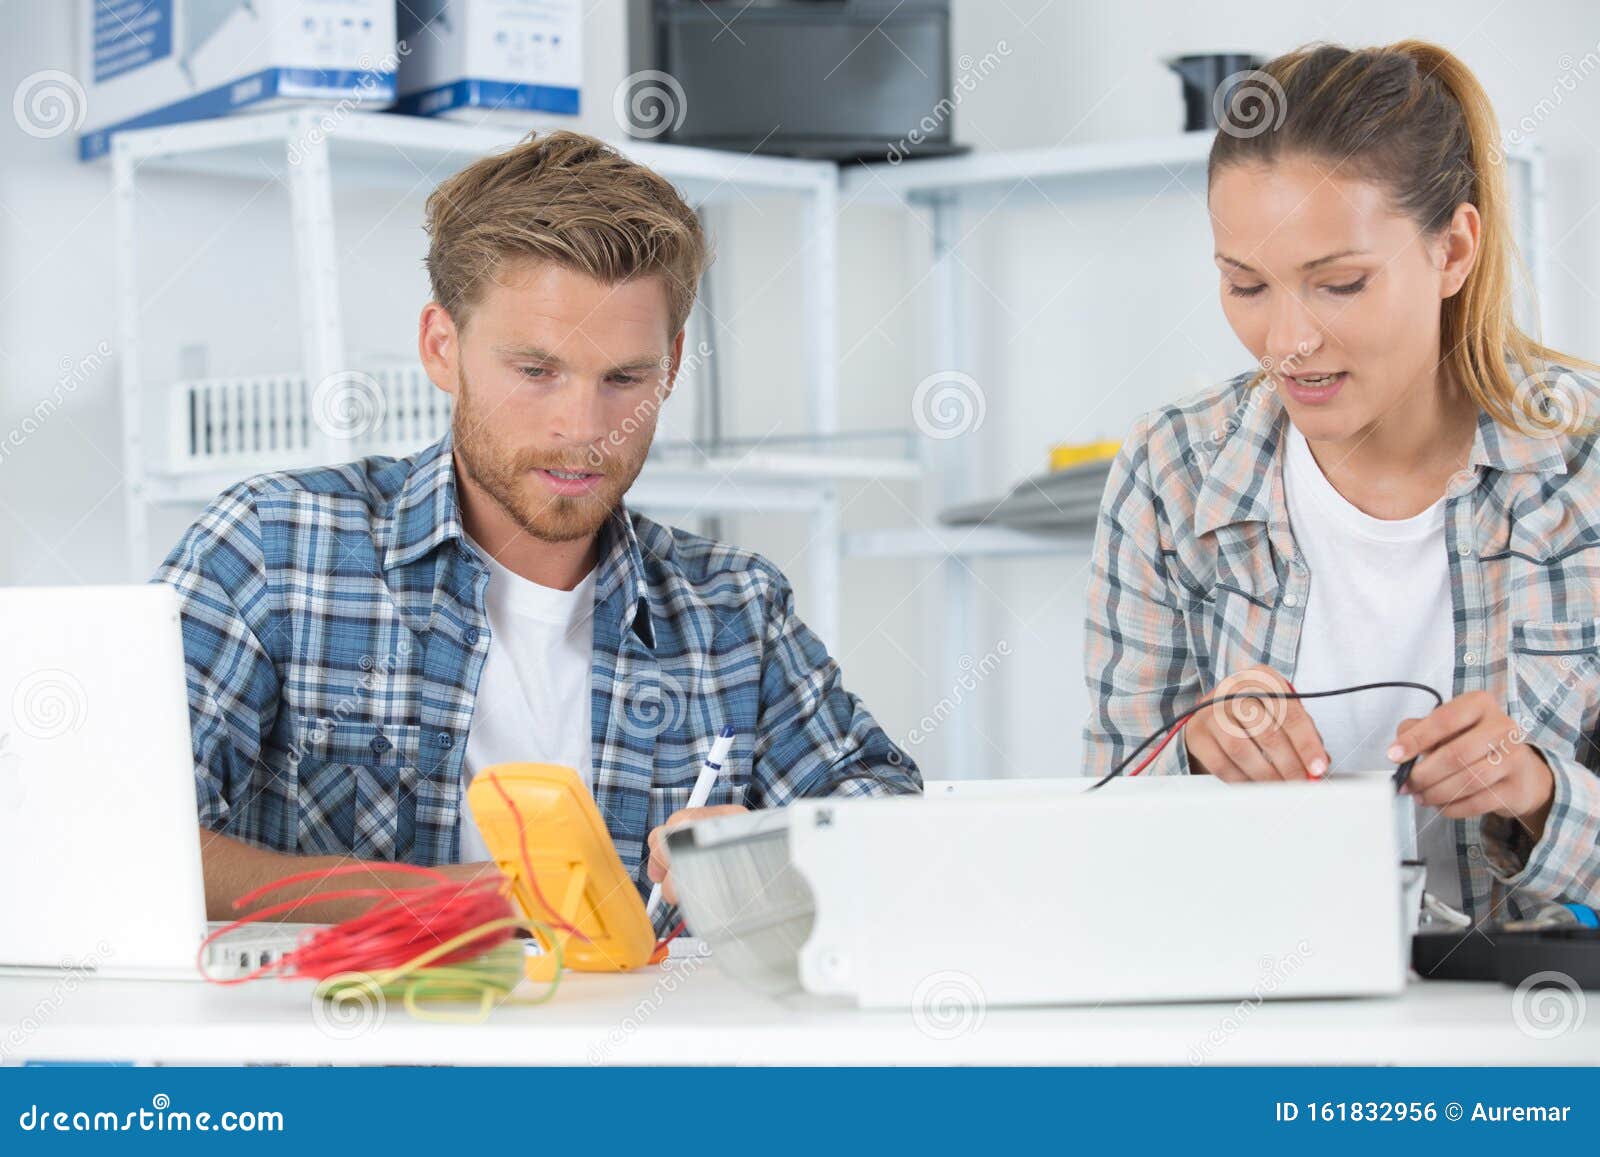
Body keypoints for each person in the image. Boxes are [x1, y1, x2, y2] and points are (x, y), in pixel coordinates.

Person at [156, 130, 919, 924]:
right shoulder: (272, 550)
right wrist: (475, 901)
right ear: (441, 347)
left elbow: (888, 812)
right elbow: (122, 833)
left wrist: (775, 849)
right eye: (536, 371)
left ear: (672, 362)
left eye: (625, 377)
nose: (583, 427)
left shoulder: (734, 608)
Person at [1083, 40, 1600, 922]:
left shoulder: (1581, 465)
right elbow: (1103, 847)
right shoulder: (1171, 473)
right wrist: (1195, 758)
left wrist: (1540, 793)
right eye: (1247, 285)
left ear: (1453, 250)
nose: (1288, 341)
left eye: (1340, 284)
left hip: (1533, 1001)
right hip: (1257, 995)